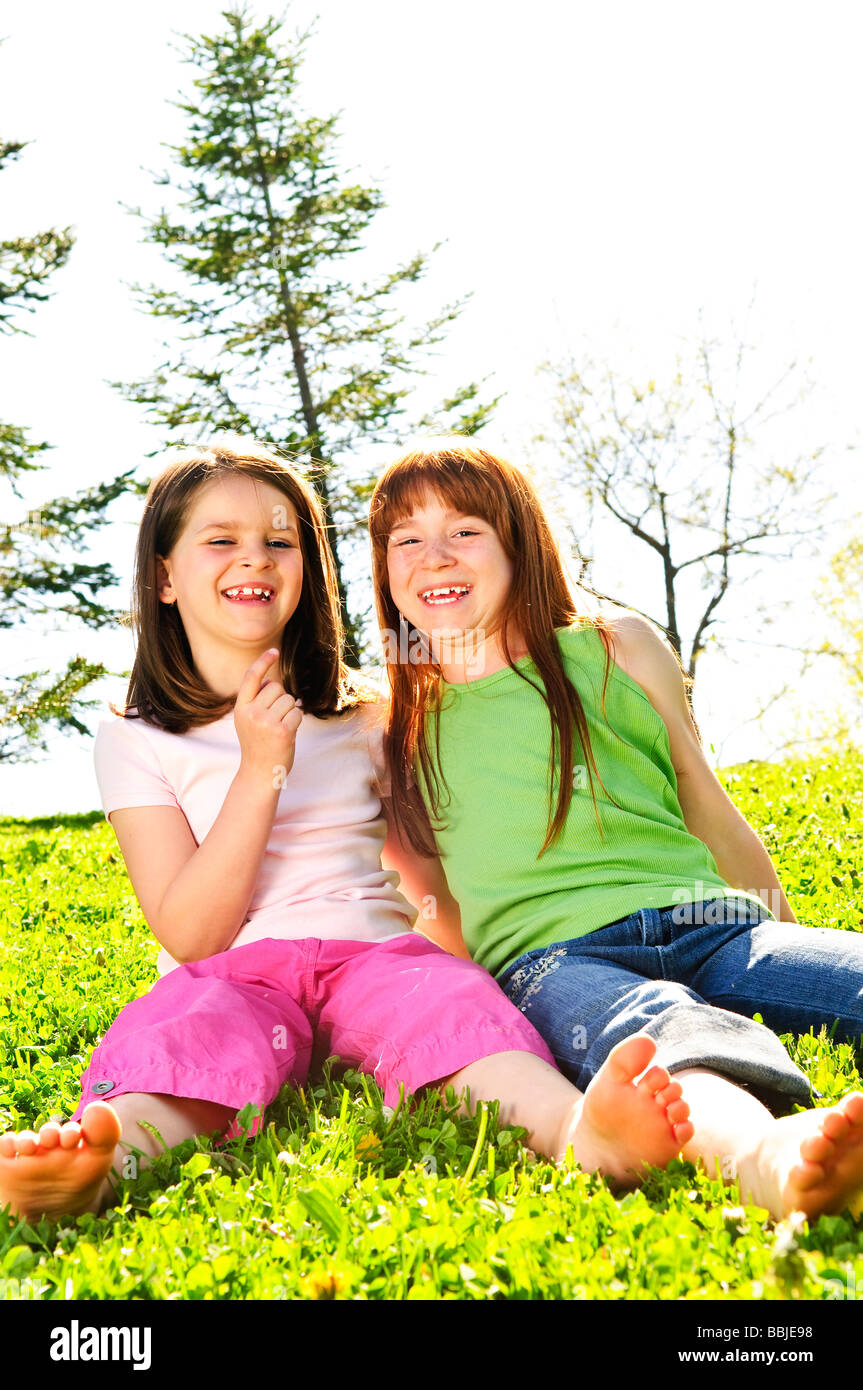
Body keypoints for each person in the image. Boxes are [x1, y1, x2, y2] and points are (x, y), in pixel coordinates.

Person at [0, 439, 692, 1223]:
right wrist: (261, 766)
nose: (253, 559)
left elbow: (430, 874)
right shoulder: (136, 737)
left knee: (450, 1013)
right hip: (235, 971)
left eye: (280, 540)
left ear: (309, 568)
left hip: (375, 954)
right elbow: (192, 932)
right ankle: (102, 1158)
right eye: (220, 540)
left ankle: (576, 1131)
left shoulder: (367, 713)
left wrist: (480, 972)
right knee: (193, 1037)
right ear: (163, 575)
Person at [368, 435, 863, 1222]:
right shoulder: (390, 723)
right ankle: (768, 1156)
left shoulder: (615, 649)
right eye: (406, 539)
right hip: (552, 960)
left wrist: (787, 940)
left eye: (463, 530)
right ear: (383, 567)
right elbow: (427, 902)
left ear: (516, 542)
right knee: (657, 1038)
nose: (435, 556)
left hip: (709, 924)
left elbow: (705, 802)